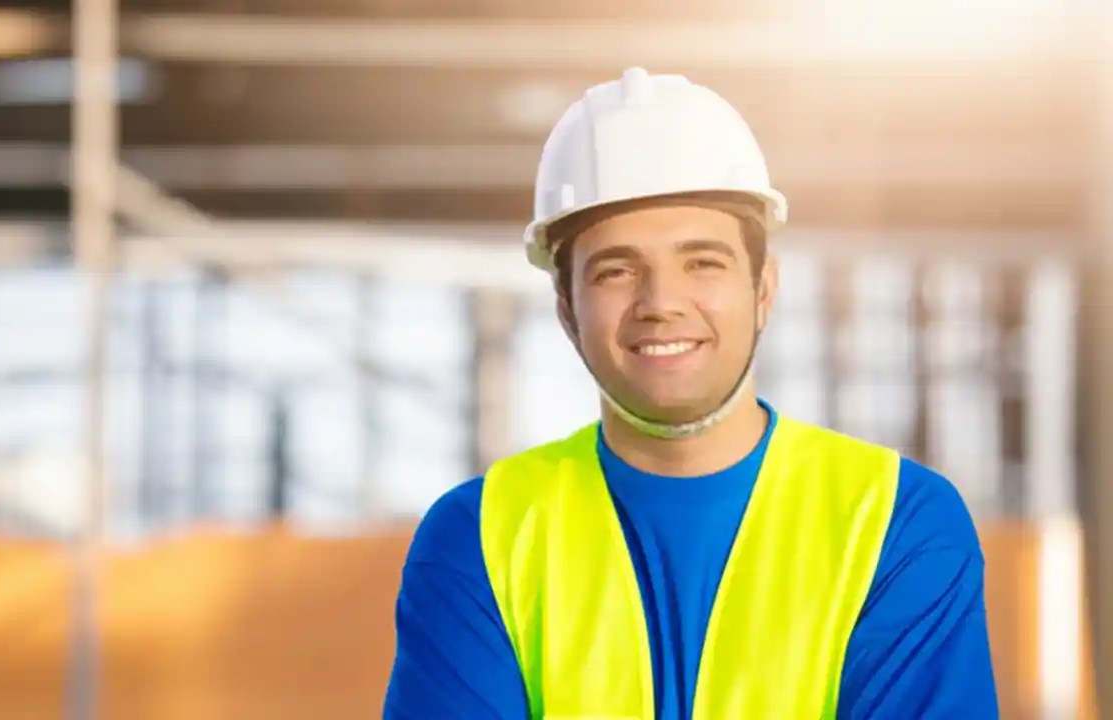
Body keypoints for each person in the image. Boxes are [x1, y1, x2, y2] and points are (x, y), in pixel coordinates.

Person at [383, 68, 998, 719]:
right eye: (617, 270)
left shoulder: (896, 522)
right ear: (566, 309)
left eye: (702, 262)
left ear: (763, 289)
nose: (661, 303)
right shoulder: (482, 537)